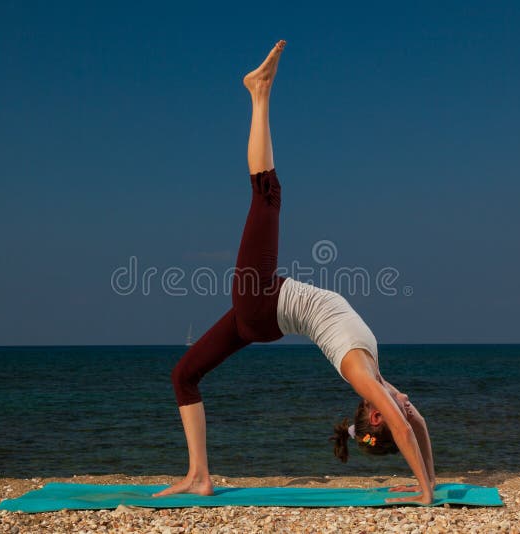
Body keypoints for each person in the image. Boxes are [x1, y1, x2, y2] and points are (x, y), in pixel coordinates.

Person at [153, 40, 436, 505]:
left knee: (267, 194)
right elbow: (417, 424)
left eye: (394, 410)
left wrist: (424, 496)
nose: (408, 404)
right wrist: (433, 480)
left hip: (262, 300)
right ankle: (199, 475)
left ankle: (259, 92)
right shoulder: (380, 380)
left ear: (377, 416)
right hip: (262, 319)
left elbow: (404, 424)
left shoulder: (362, 374)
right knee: (184, 375)